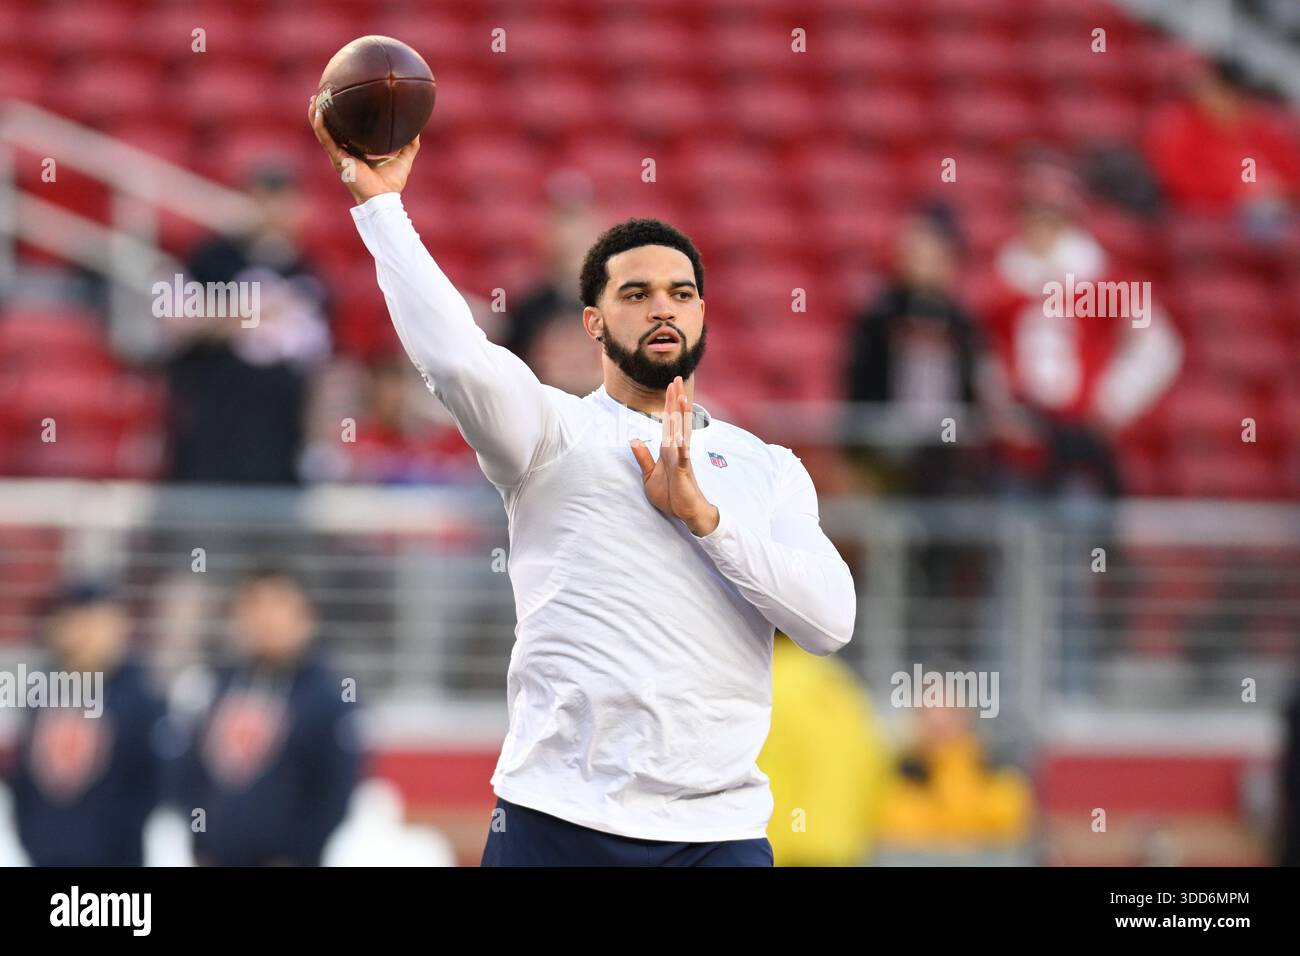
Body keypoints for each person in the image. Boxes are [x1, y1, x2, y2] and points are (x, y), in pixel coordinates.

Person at [308, 97, 857, 867]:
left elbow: (830, 622)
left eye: (681, 292)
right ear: (592, 324)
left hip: (715, 833)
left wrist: (705, 520)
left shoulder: (768, 467)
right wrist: (381, 206)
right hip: (557, 818)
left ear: (703, 316)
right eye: (634, 294)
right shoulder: (553, 433)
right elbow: (457, 359)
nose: (661, 307)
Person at [174, 566, 361, 866]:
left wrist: (299, 855)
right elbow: (189, 773)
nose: (266, 618)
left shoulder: (328, 695)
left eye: (278, 604)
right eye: (253, 605)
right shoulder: (216, 685)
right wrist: (200, 844)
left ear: (305, 615)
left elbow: (335, 791)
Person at [8, 582, 166, 866]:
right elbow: (24, 779)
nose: (87, 635)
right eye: (78, 623)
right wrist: (32, 838)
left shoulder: (138, 698)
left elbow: (148, 784)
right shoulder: (42, 693)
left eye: (98, 623)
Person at [757, 633, 891, 866]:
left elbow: (762, 770)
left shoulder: (765, 683)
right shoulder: (841, 682)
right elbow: (873, 762)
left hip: (786, 851)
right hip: (845, 847)